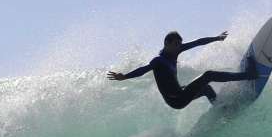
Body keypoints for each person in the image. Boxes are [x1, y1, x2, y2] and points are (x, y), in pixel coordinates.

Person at [107, 30, 258, 108]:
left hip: (179, 95)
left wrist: (217, 38)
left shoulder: (176, 51)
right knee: (209, 75)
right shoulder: (159, 61)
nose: (178, 47)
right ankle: (249, 75)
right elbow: (143, 70)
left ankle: (223, 110)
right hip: (176, 99)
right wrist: (125, 76)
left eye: (180, 44)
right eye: (175, 44)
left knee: (206, 88)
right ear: (166, 43)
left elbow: (198, 42)